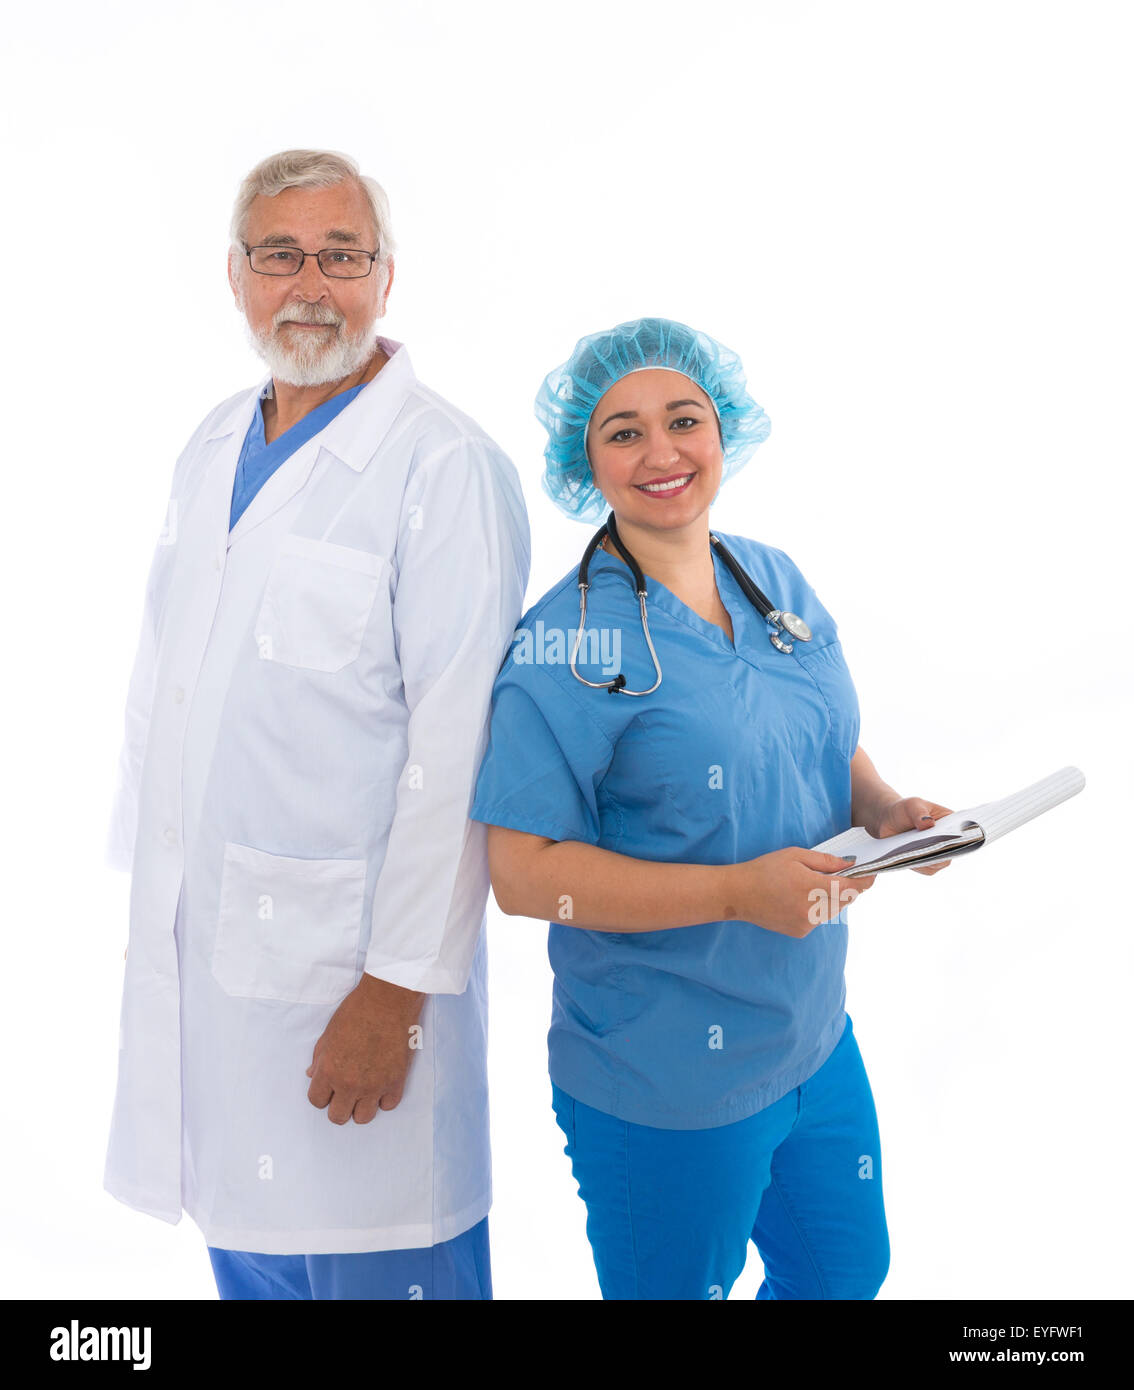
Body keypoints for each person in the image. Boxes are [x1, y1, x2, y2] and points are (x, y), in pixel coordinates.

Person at [104, 149, 530, 1300]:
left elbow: (458, 754)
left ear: (387, 276)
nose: (311, 283)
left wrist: (396, 991)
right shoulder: (208, 448)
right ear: (235, 275)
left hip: (355, 994)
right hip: (215, 986)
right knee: (245, 1244)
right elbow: (168, 687)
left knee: (381, 1255)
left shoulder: (444, 468)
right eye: (282, 255)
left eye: (342, 255)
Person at [471, 317, 950, 1300]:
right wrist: (735, 892)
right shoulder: (559, 649)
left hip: (812, 1032)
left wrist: (888, 807)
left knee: (844, 1271)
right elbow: (521, 878)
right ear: (583, 462)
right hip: (665, 1077)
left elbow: (809, 723)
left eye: (684, 419)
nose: (662, 452)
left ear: (723, 431)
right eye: (623, 432)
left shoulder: (772, 579)